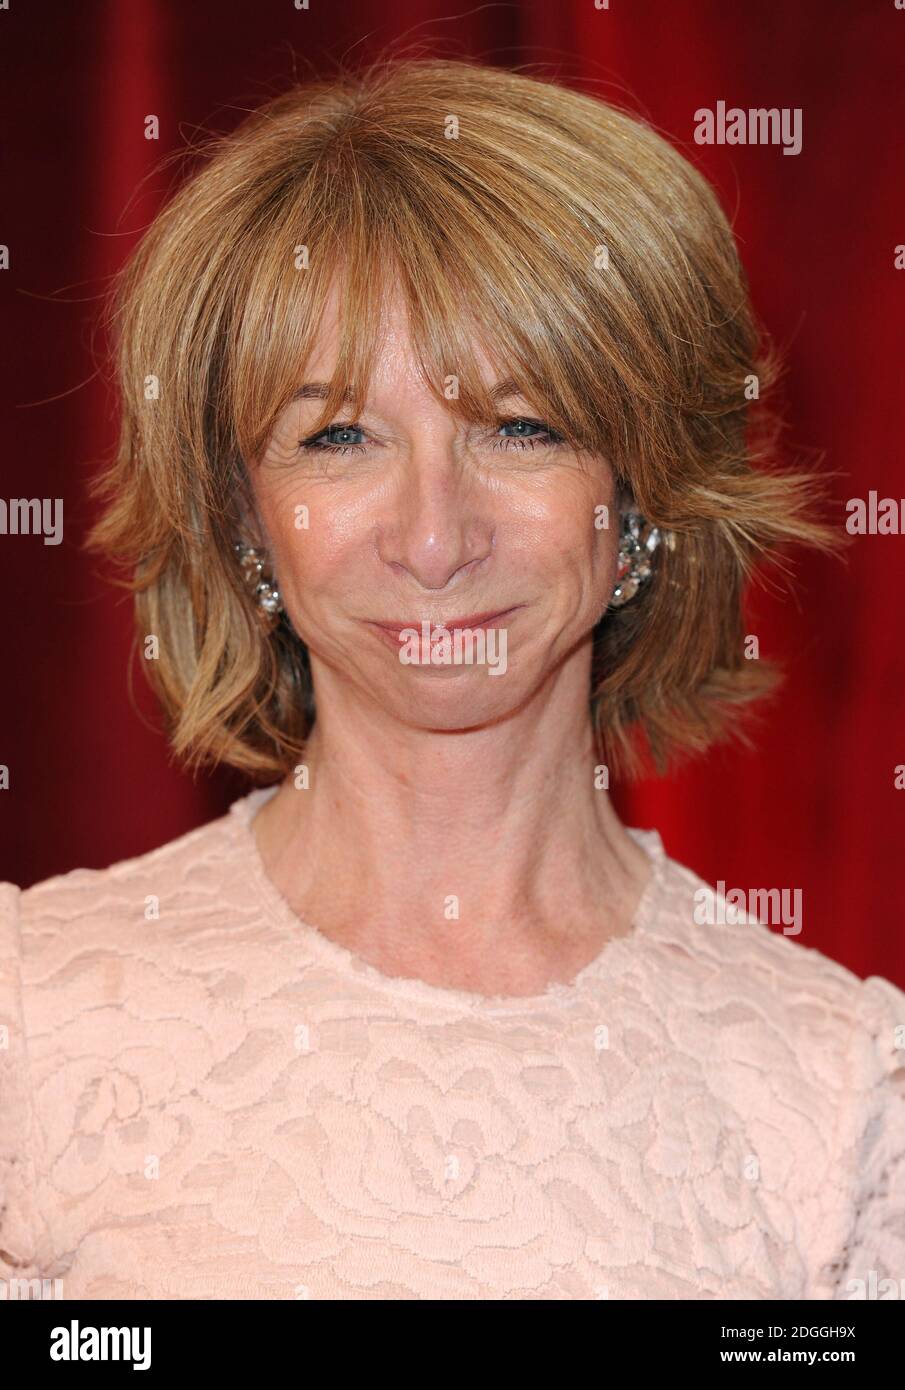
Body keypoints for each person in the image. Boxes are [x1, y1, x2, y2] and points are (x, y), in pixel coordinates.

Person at [1, 58, 902, 1301]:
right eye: (337, 436)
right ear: (246, 518)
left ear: (641, 494)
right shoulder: (34, 1019)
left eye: (521, 428)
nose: (432, 538)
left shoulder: (837, 1091)